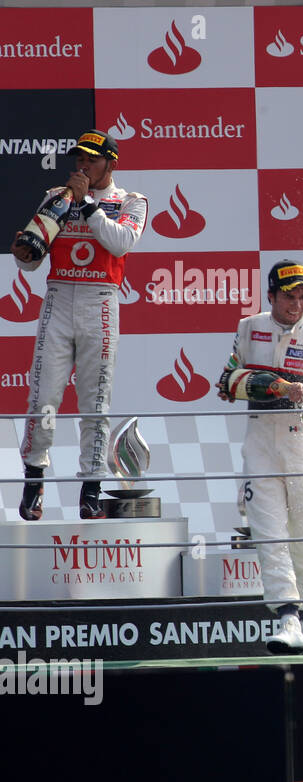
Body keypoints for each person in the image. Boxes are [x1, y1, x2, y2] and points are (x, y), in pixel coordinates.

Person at [10, 129, 148, 520]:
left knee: (96, 402)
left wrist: (87, 202)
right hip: (58, 298)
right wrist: (23, 253)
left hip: (100, 302)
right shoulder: (56, 197)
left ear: (111, 163)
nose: (82, 166)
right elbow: (32, 259)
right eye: (79, 159)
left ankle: (91, 487)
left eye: (91, 159)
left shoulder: (132, 202)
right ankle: (34, 481)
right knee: (43, 399)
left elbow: (120, 243)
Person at [218, 260, 303, 656]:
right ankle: (286, 618)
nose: (298, 302)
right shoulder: (248, 327)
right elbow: (228, 379)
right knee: (269, 535)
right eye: (290, 296)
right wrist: (266, 385)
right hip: (260, 443)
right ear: (271, 295)